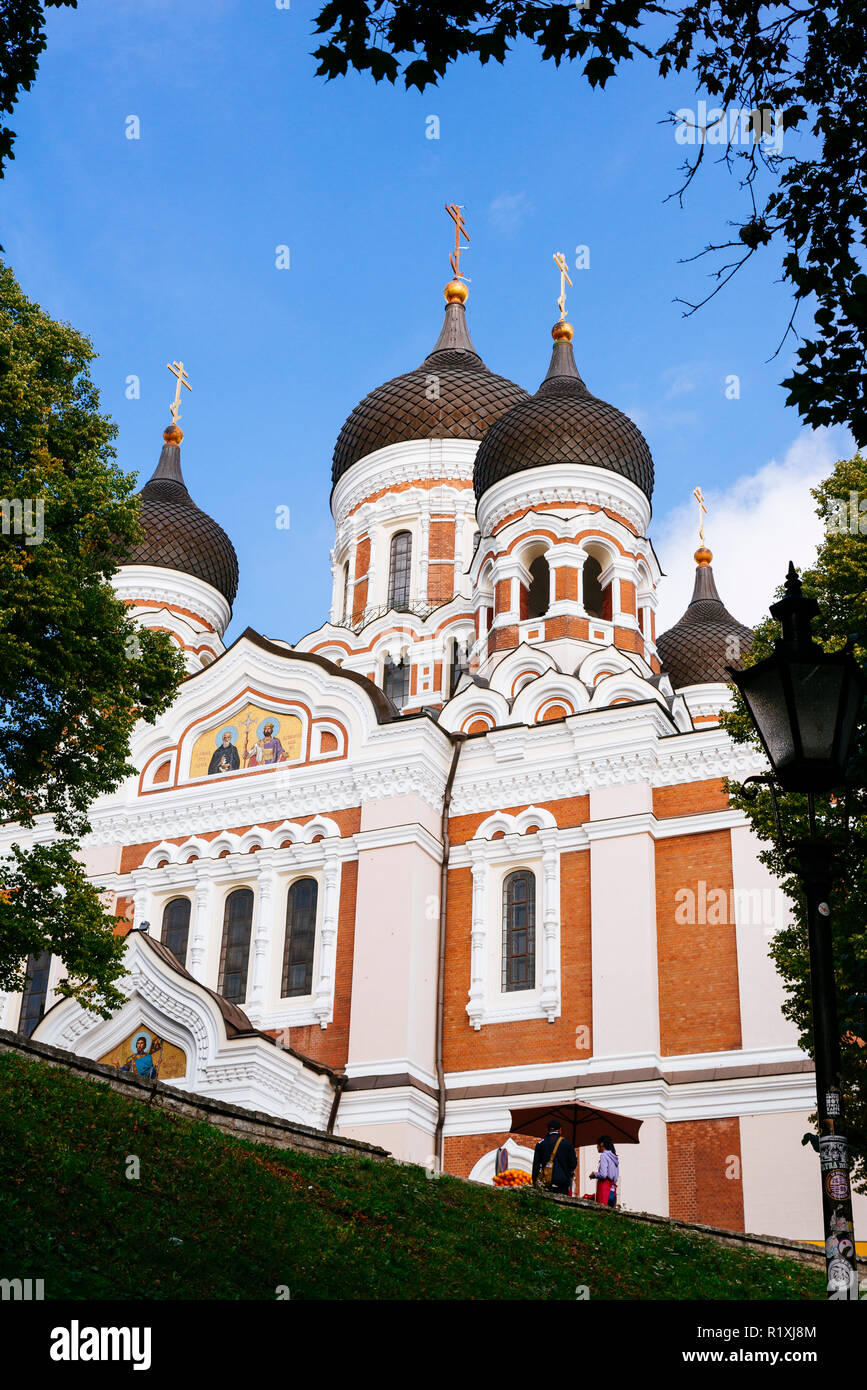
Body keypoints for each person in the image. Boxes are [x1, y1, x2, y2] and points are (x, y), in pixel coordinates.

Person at [532, 1121, 577, 1195]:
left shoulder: (541, 1144)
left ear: (548, 1130)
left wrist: (535, 1182)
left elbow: (536, 1165)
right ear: (559, 1130)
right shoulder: (568, 1144)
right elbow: (573, 1164)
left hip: (546, 1183)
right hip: (562, 1183)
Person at [590, 1135, 619, 1207]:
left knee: (602, 1213)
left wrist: (594, 1174)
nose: (596, 1147)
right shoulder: (614, 1157)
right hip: (612, 1191)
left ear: (602, 1144)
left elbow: (603, 1174)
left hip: (604, 1190)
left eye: (597, 1144)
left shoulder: (604, 1155)